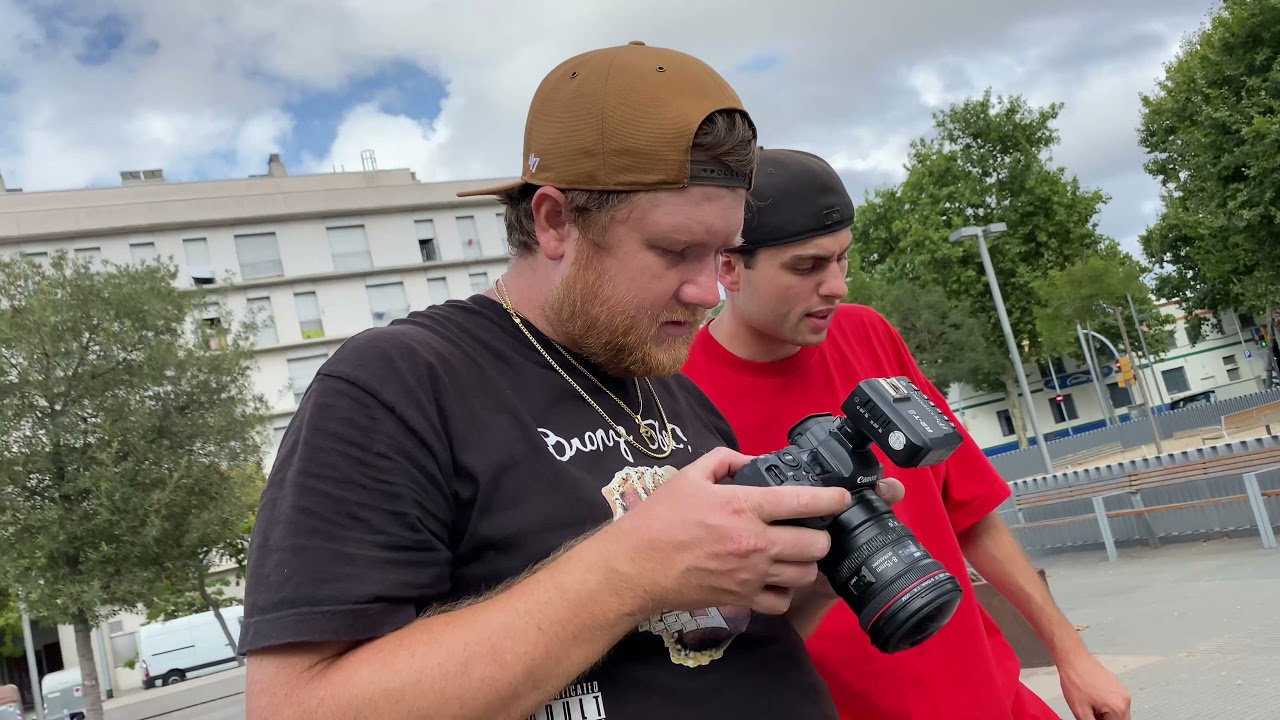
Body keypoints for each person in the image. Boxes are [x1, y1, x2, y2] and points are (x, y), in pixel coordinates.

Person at [237, 43, 907, 720]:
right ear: (556, 221)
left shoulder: (668, 381)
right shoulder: (398, 384)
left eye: (723, 253)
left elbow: (714, 659)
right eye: (675, 251)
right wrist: (629, 570)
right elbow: (296, 706)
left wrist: (813, 571)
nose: (709, 290)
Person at [681, 148, 1134, 720]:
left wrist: (1072, 654)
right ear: (728, 268)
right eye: (807, 267)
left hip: (992, 697)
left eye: (843, 259)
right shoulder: (676, 394)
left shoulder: (868, 335)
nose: (836, 286)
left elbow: (970, 513)